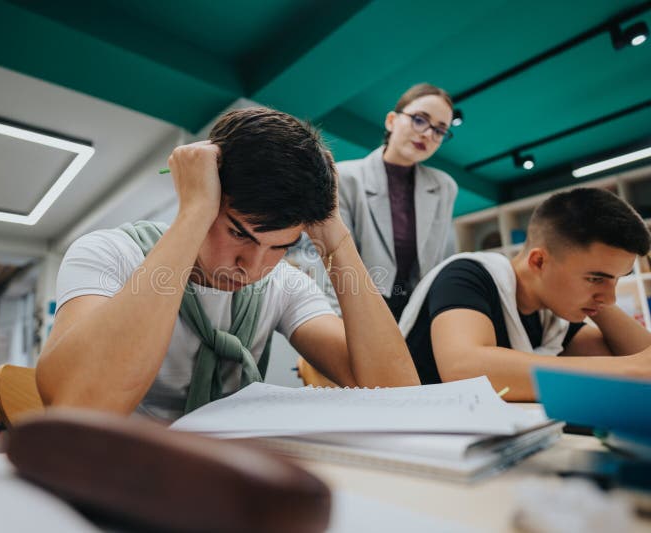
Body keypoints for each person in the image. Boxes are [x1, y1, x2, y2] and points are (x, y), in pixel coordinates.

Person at [36, 107, 419, 421]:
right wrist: (194, 212)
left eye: (280, 247)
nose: (252, 268)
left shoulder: (284, 284)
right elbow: (79, 406)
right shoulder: (109, 253)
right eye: (239, 234)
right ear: (206, 192)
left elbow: (397, 395)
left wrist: (333, 235)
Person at [399, 187, 651, 400]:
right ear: (539, 261)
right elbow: (464, 368)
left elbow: (640, 360)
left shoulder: (552, 320)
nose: (611, 298)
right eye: (595, 278)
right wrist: (628, 370)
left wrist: (599, 299)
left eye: (617, 279)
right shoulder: (467, 275)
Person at [297, 83, 458, 385]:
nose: (428, 134)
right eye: (420, 120)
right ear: (392, 120)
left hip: (419, 317)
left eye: (440, 130)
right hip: (360, 312)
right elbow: (331, 260)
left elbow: (442, 267)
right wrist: (340, 331)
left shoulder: (445, 186)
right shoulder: (346, 177)